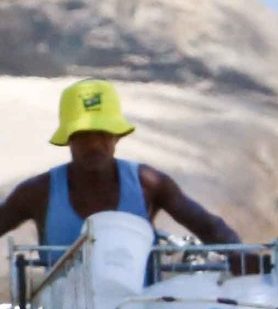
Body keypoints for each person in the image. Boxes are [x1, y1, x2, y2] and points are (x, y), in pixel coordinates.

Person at [0, 77, 243, 253]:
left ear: (117, 136)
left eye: (103, 133)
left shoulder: (148, 184)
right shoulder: (37, 192)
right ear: (69, 139)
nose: (94, 144)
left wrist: (240, 254)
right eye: (83, 135)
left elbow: (208, 227)